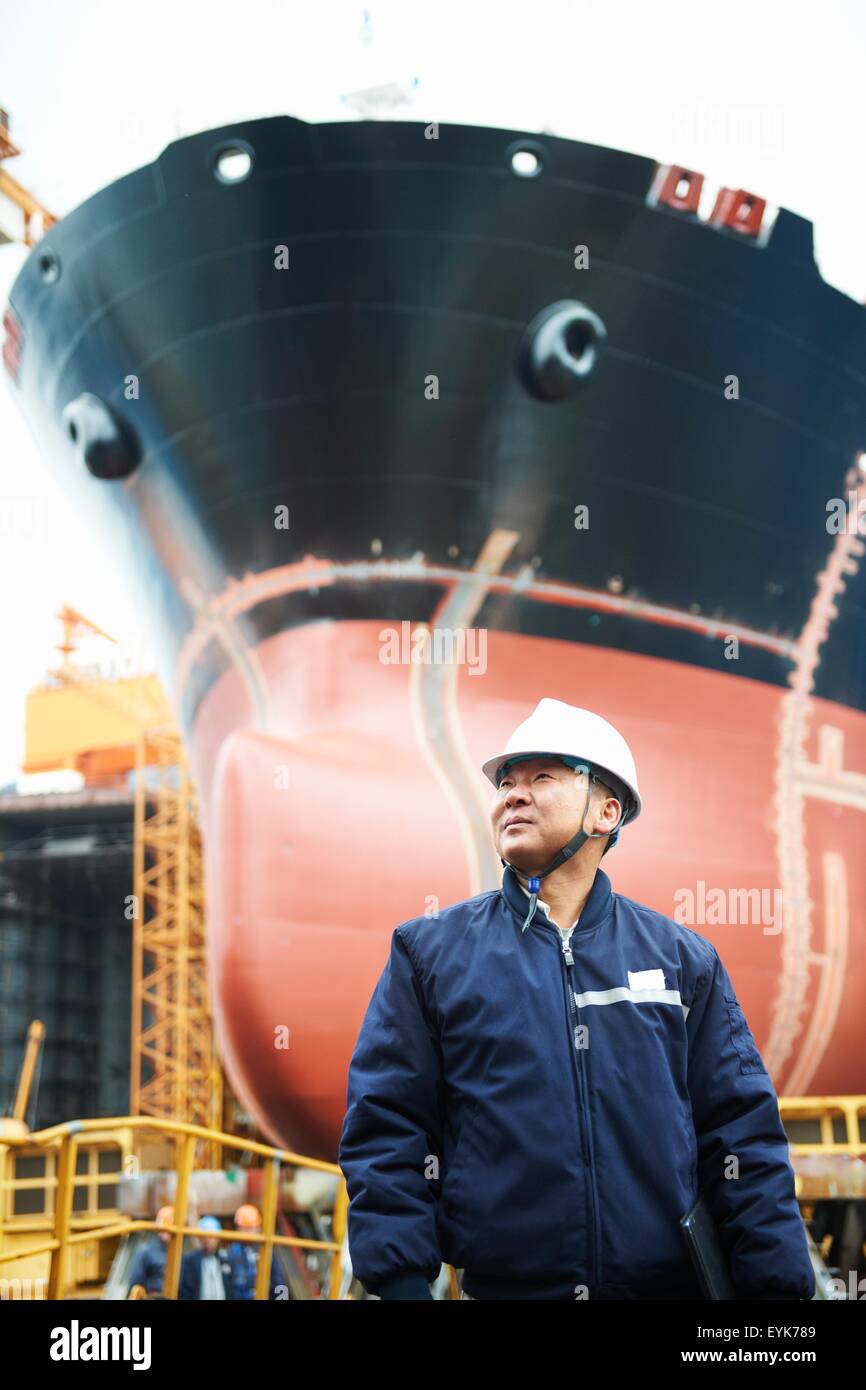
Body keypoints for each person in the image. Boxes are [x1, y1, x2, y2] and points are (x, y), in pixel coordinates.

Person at [338, 698, 816, 1302]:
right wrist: (402, 1284)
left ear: (606, 812)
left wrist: (778, 1301)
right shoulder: (429, 953)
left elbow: (742, 1135)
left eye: (541, 777)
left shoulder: (682, 959)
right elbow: (387, 1126)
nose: (512, 795)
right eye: (505, 783)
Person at [227, 1203, 283, 1299]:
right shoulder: (231, 1253)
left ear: (258, 1228)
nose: (248, 1233)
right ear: (238, 1229)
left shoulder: (266, 1250)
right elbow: (227, 1287)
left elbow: (279, 1281)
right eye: (244, 1228)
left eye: (250, 1228)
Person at [179, 1215, 236, 1300]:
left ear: (218, 1238)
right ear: (199, 1238)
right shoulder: (189, 1260)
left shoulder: (225, 1258)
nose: (208, 1240)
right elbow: (185, 1291)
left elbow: (231, 1288)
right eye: (205, 1237)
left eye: (211, 1237)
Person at [127, 1204, 174, 1296]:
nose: (167, 1230)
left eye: (171, 1224)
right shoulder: (145, 1252)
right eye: (165, 1224)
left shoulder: (182, 1255)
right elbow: (136, 1285)